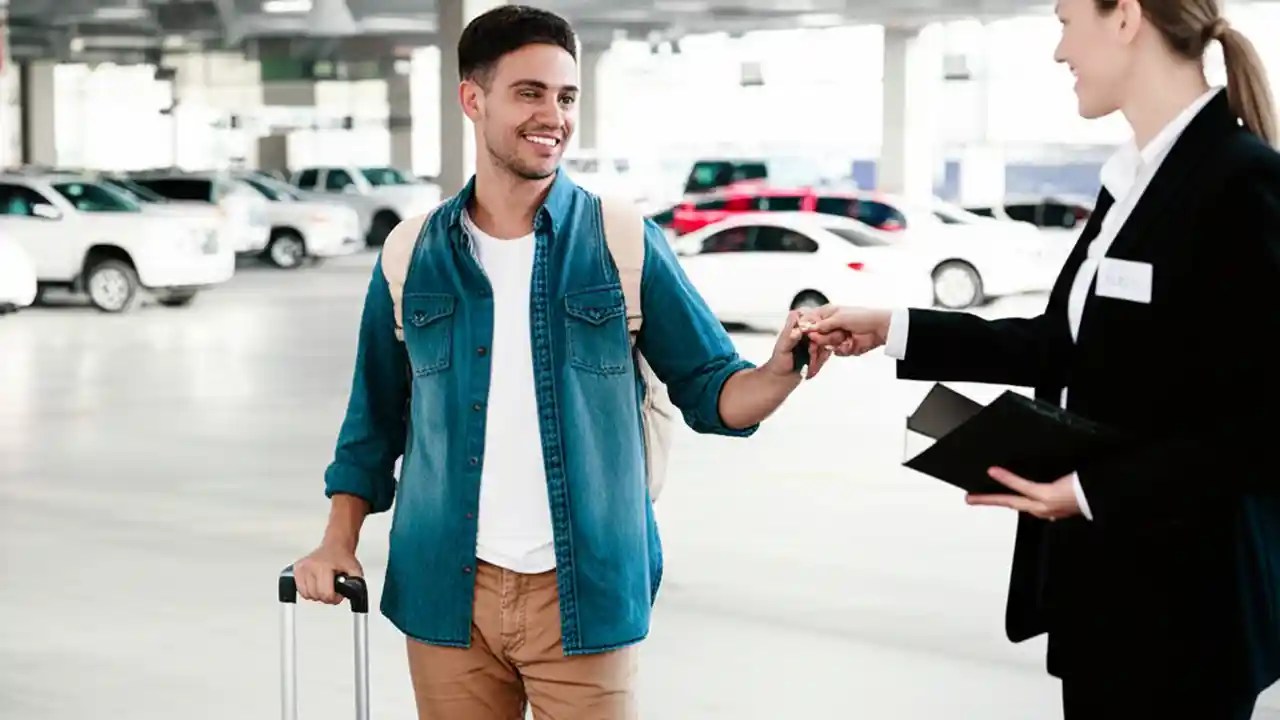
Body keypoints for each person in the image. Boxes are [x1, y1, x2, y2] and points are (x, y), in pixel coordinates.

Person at [290, 6, 829, 719]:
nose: (554, 115)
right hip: (446, 592)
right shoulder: (410, 254)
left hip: (582, 593)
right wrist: (337, 543)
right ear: (473, 100)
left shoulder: (620, 239)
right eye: (531, 92)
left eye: (567, 96)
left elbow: (714, 390)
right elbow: (373, 422)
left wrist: (781, 371)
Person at [803, 0, 1280, 716]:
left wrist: (1088, 492)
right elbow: (1057, 344)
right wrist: (895, 327)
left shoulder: (1241, 181)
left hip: (1189, 614)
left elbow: (1261, 426)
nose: (1060, 52)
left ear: (1126, 17)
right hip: (1104, 600)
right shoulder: (1131, 184)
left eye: (1065, 21)